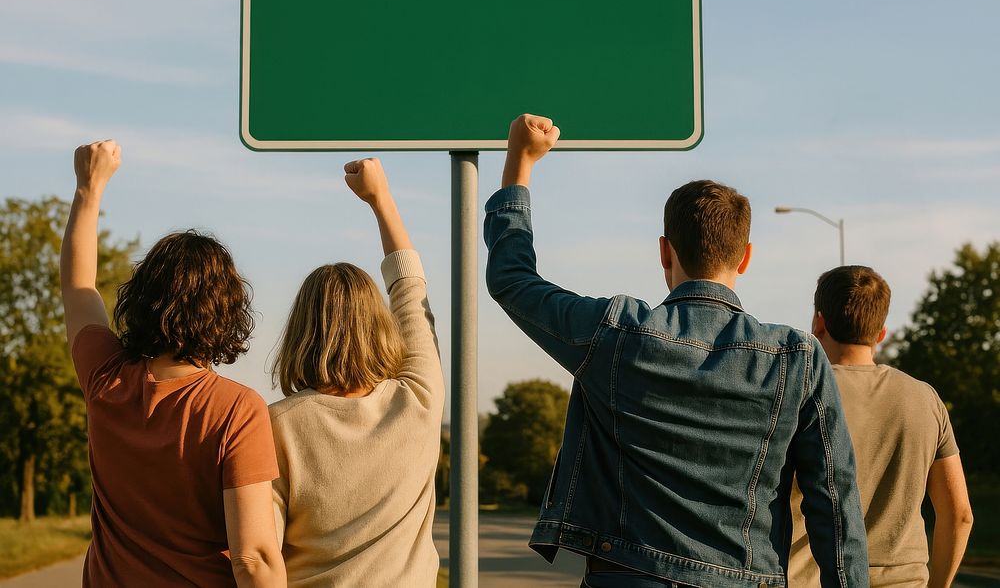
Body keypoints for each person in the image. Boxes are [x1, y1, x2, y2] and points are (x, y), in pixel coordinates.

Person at [484, 115, 869, 588]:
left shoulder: (616, 333)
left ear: (665, 252)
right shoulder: (799, 359)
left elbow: (512, 280)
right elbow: (834, 501)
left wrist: (519, 164)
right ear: (745, 256)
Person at [61, 140, 285, 587]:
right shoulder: (236, 410)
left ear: (141, 301)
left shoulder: (106, 379)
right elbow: (254, 558)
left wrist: (89, 187)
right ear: (226, 313)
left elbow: (78, 286)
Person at [269, 157, 444, 587]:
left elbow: (262, 552)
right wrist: (380, 199)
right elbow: (410, 293)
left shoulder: (275, 424)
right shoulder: (418, 399)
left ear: (300, 331)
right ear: (380, 327)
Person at [788, 265, 974, 587]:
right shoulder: (925, 400)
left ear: (818, 323)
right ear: (880, 333)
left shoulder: (798, 396)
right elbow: (959, 515)